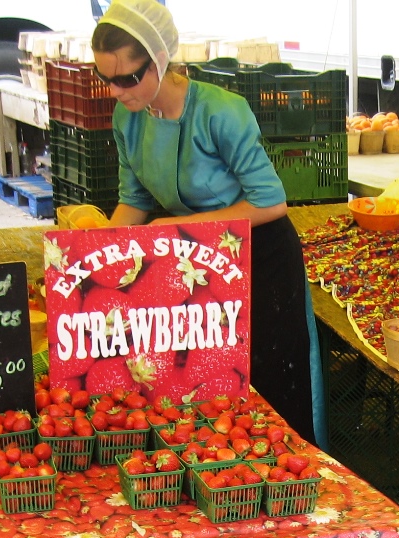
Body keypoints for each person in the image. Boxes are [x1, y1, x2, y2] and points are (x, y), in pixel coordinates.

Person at [93, 0, 323, 445]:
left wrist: (180, 228)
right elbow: (133, 200)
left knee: (270, 389)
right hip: (193, 261)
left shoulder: (221, 111)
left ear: (160, 59)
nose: (116, 91)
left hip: (259, 258)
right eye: (106, 79)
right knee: (203, 387)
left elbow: (271, 202)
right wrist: (96, 255)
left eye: (128, 78)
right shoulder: (127, 117)